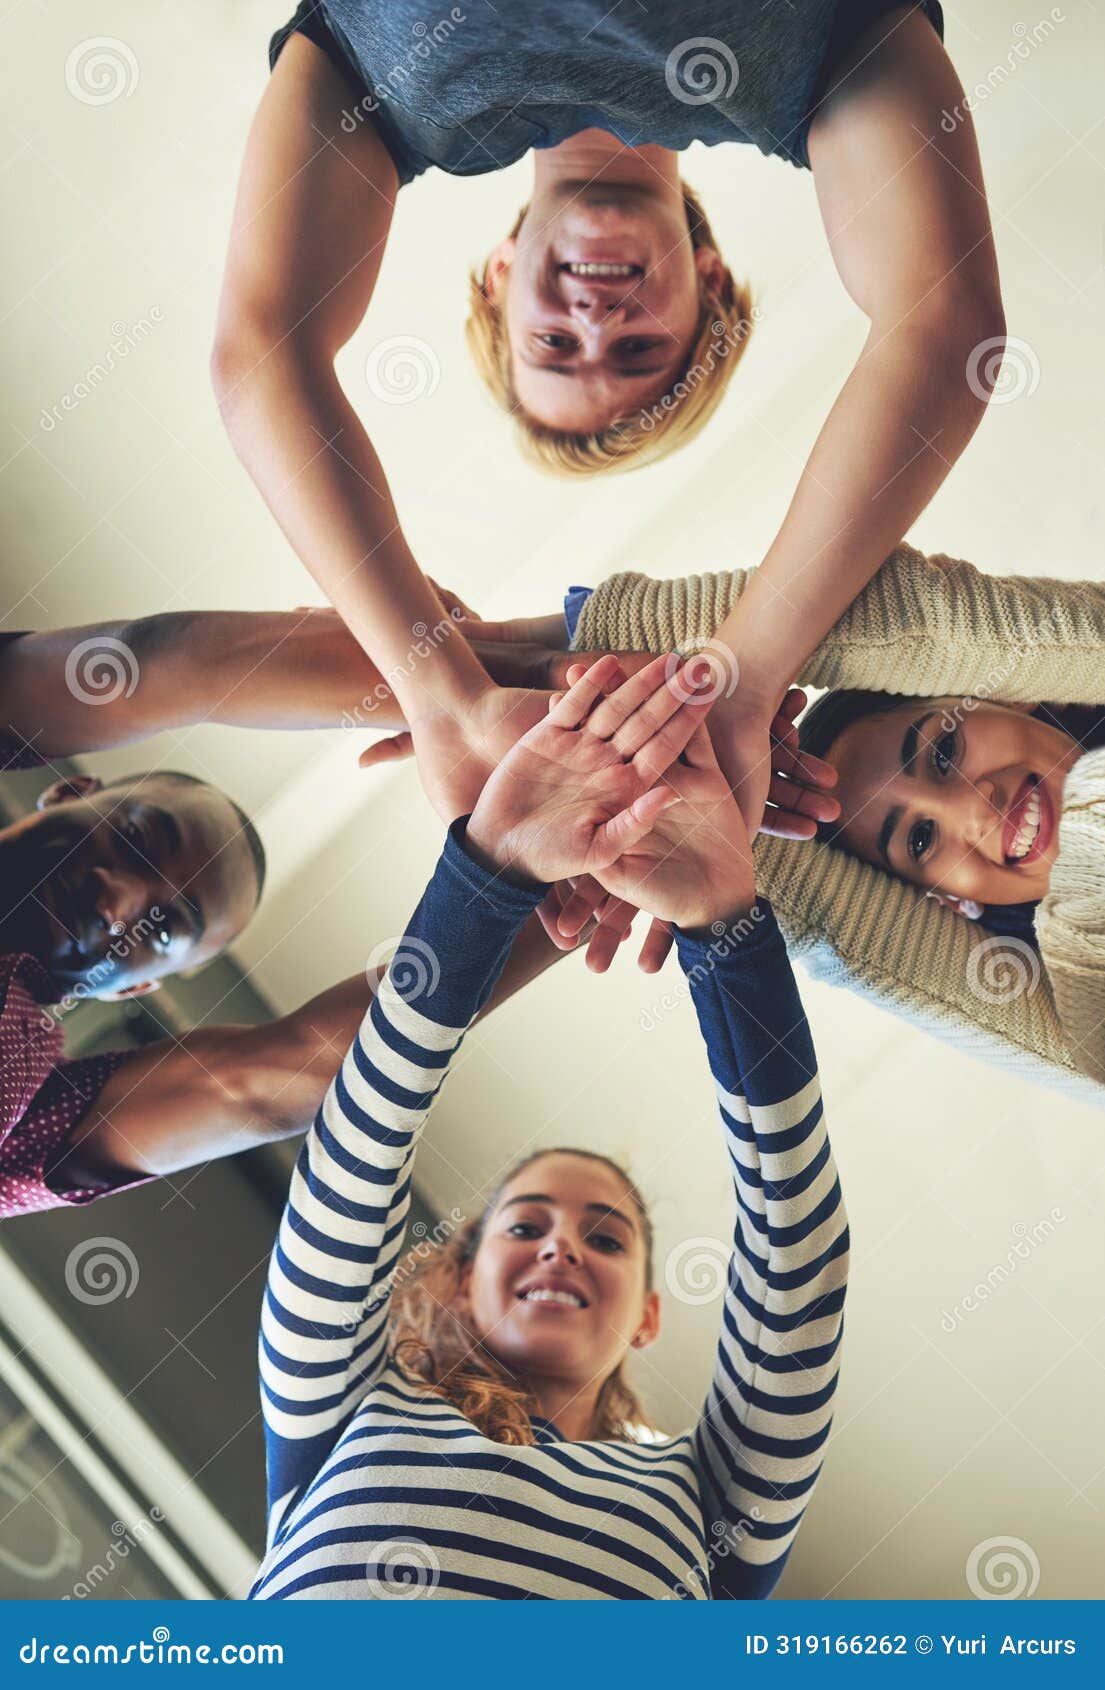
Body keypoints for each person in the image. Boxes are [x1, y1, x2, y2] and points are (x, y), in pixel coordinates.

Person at [212, 0, 1005, 835]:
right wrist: (737, 683)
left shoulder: (373, 95)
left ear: (498, 276)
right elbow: (946, 328)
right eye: (637, 351)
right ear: (709, 284)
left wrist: (442, 696)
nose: (595, 319)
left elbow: (261, 357)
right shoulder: (817, 68)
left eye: (552, 342)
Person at [250, 657, 848, 1600]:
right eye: (524, 1225)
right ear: (458, 1272)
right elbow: (349, 1160)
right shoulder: (339, 1411)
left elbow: (794, 1282)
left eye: (605, 1238)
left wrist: (708, 919)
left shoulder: (709, 1506)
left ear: (648, 1315)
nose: (561, 1245)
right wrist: (489, 869)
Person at [0, 599, 592, 1219]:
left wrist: (543, 889)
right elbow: (165, 664)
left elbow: (273, 1080)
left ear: (136, 987)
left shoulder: (34, 1102)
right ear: (70, 790)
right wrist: (513, 672)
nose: (118, 898)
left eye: (167, 927)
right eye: (134, 840)